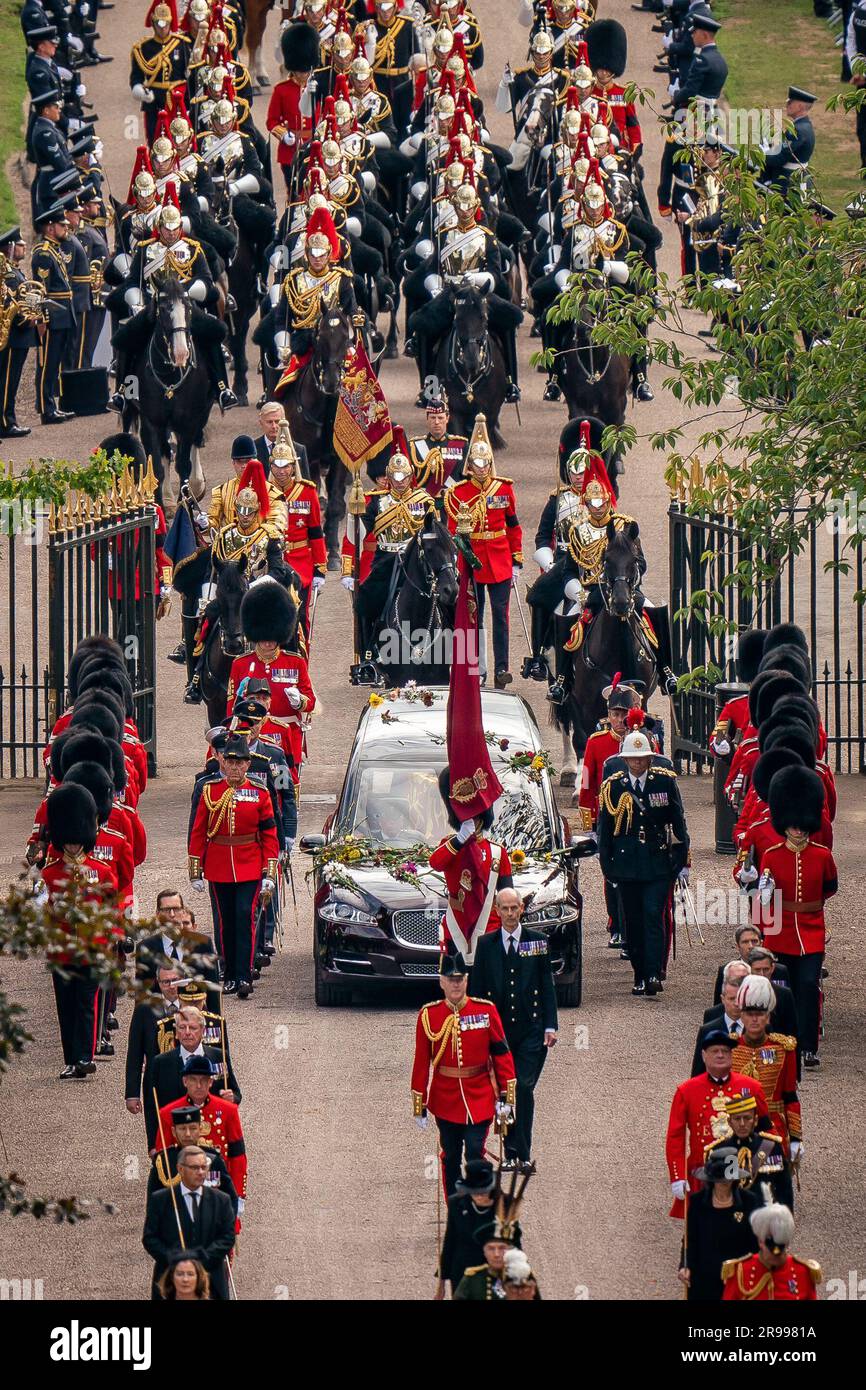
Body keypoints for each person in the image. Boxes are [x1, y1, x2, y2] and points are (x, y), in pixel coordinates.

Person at [411, 952, 516, 1197]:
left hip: (479, 1096)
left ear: (466, 981)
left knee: (475, 1152)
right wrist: (419, 1103)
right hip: (445, 1099)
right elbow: (421, 1062)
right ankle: (456, 1212)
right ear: (441, 982)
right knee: (451, 1157)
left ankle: (478, 1209)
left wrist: (506, 1098)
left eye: (460, 978)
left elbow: (502, 1055)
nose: (456, 983)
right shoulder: (429, 1015)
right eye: (451, 978)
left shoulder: (486, 1011)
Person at [470, 888, 557, 1172]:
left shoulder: (537, 942)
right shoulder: (486, 945)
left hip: (531, 1030)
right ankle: (510, 1152)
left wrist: (550, 1025)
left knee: (524, 1087)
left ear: (521, 909)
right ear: (496, 911)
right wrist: (475, 1030)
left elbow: (546, 985)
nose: (509, 914)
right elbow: (477, 991)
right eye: (504, 909)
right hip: (499, 1033)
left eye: (514, 908)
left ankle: (525, 1152)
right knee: (503, 1093)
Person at [597, 729, 689, 997]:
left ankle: (652, 972)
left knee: (653, 916)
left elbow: (677, 821)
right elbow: (606, 830)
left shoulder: (664, 782)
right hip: (626, 864)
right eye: (633, 759)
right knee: (633, 921)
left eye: (642, 759)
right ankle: (638, 973)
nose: (638, 764)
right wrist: (607, 866)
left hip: (658, 861)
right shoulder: (613, 786)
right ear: (625, 760)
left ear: (650, 759)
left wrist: (680, 859)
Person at [188, 732, 280, 998]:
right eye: (231, 761)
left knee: (244, 917)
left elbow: (269, 835)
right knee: (225, 922)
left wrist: (269, 872)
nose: (236, 767)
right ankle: (228, 974)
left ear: (248, 764)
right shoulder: (210, 791)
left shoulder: (260, 793)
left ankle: (244, 974)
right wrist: (196, 869)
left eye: (241, 762)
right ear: (223, 763)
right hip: (218, 865)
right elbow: (198, 831)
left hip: (249, 864)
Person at [756, 766, 837, 1068]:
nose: (798, 830)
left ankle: (808, 1045)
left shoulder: (822, 855)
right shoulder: (772, 855)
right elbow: (768, 898)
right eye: (793, 825)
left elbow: (830, 887)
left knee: (808, 986)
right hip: (781, 933)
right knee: (780, 989)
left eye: (801, 825)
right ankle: (780, 1041)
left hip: (812, 931)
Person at [39, 783, 118, 1079]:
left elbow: (112, 907)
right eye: (68, 842)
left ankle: (85, 1056)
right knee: (66, 1007)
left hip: (93, 948)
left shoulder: (102, 870)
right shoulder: (50, 872)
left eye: (77, 841)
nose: (73, 846)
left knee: (86, 1004)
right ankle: (71, 1059)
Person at [442, 416, 523, 688]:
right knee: (474, 616)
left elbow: (513, 526)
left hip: (499, 559)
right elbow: (453, 529)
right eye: (476, 464)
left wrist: (516, 559)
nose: (480, 468)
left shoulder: (504, 488)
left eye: (484, 463)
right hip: (472, 560)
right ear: (470, 465)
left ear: (490, 463)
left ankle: (502, 668)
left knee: (501, 616)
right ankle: (477, 666)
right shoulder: (459, 492)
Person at [348, 433, 437, 681]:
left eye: (404, 477)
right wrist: (353, 512)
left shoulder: (424, 501)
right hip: (386, 560)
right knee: (365, 601)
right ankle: (369, 657)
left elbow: (435, 535)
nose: (399, 482)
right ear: (389, 476)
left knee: (445, 598)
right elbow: (358, 537)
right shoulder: (376, 502)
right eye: (395, 477)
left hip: (417, 561)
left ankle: (447, 651)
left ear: (411, 477)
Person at [666, 1031, 770, 1218]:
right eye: (715, 1051)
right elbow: (676, 1137)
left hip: (740, 1171)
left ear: (732, 1056)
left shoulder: (752, 1087)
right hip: (702, 1171)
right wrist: (677, 1175)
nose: (720, 1055)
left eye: (725, 1051)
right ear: (704, 1055)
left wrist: (758, 1167)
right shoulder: (686, 1091)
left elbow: (767, 1133)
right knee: (702, 1231)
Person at [225, 580, 313, 780]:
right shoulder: (241, 664)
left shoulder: (295, 663)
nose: (267, 641)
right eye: (263, 636)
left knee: (285, 792)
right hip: (250, 738)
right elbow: (231, 708)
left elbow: (310, 701)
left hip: (286, 737)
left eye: (272, 637)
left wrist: (300, 701)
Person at [428, 770, 514, 963]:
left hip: (489, 928)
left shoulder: (497, 852)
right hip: (456, 927)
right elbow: (435, 862)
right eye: (466, 818)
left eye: (475, 817)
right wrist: (460, 840)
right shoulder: (450, 845)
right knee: (455, 987)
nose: (471, 821)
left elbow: (508, 896)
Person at [143, 1143, 235, 1300]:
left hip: (212, 1281)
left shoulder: (221, 1200)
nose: (200, 1172)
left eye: (203, 1167)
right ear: (180, 1169)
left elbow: (227, 1237)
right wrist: (175, 1261)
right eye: (194, 1168)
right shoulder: (161, 1199)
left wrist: (202, 1261)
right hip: (171, 1283)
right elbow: (150, 1238)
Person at [159, 1055, 248, 1202]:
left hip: (218, 1187)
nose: (198, 1085)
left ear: (211, 1082)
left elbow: (237, 1156)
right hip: (182, 1189)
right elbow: (162, 1161)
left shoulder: (228, 1110)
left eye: (203, 1080)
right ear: (185, 1081)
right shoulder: (168, 1114)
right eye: (193, 1080)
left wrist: (238, 1194)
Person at [677, 1145, 760, 1301]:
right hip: (704, 1283)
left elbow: (756, 1244)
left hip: (738, 1282)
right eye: (720, 1179)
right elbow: (690, 1240)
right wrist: (685, 1265)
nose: (724, 1183)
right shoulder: (697, 1203)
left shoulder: (749, 1201)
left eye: (728, 1179)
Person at [729, 976, 800, 1158]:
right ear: (742, 1016)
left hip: (773, 1132)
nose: (754, 1019)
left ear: (768, 1017)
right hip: (734, 1131)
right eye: (749, 1014)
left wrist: (795, 1138)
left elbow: (790, 1096)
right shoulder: (728, 1047)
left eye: (759, 1014)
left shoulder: (784, 1049)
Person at [147, 1104, 239, 1219]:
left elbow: (231, 1198)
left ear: (200, 1129)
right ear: (174, 1131)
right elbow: (152, 1205)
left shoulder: (213, 1159)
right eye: (182, 1129)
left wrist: (224, 1230)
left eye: (192, 1128)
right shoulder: (164, 1162)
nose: (187, 1134)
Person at [31, 201, 76, 425]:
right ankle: (46, 408)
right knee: (47, 365)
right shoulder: (43, 254)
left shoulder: (54, 251)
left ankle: (52, 405)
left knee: (55, 364)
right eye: (61, 225)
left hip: (63, 315)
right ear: (50, 228)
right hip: (53, 318)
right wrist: (41, 319)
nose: (65, 228)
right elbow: (40, 290)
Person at [452, 1173, 530, 1300]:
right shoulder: (471, 1280)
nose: (497, 1254)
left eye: (502, 1248)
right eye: (491, 1248)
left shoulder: (523, 1277)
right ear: (484, 1250)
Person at [436, 1158, 505, 1300]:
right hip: (462, 1273)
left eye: (484, 1191)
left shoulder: (504, 1205)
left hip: (494, 1273)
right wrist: (441, 1283)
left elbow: (515, 1246)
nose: (480, 1195)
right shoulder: (456, 1204)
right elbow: (450, 1242)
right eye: (475, 1191)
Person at [722, 1202, 821, 1300]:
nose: (775, 1254)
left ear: (786, 1243)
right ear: (760, 1241)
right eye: (770, 1246)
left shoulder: (803, 1272)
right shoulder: (741, 1272)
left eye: (780, 1247)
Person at [125, 964, 182, 1128]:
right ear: (158, 983)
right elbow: (135, 1053)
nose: (171, 987)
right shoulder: (144, 1009)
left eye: (175, 981)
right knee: (157, 1144)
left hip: (188, 1083)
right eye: (166, 982)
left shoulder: (194, 1005)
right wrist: (132, 1094)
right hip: (155, 1085)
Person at [267, 21, 318, 192]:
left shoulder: (318, 88)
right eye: (300, 70)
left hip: (314, 148)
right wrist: (283, 135)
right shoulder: (281, 90)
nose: (304, 73)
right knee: (294, 193)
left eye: (306, 70)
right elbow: (272, 121)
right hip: (290, 151)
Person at [0, 226, 38, 437]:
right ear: (12, 247)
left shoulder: (14, 270)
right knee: (7, 381)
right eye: (21, 245)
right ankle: (6, 422)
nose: (25, 248)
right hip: (14, 336)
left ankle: (9, 417)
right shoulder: (7, 274)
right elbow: (9, 301)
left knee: (12, 381)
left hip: (19, 337)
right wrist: (26, 320)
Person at [407, 398, 467, 498]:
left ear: (447, 418)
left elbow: (468, 478)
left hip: (453, 501)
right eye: (432, 418)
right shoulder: (414, 446)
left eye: (440, 418)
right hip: (424, 502)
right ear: (427, 419)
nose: (436, 422)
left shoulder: (462, 445)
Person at [762, 89, 816, 196]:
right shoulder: (804, 126)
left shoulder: (797, 130)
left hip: (787, 183)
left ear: (800, 106)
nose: (787, 105)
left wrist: (763, 154)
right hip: (796, 179)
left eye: (790, 102)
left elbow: (780, 158)